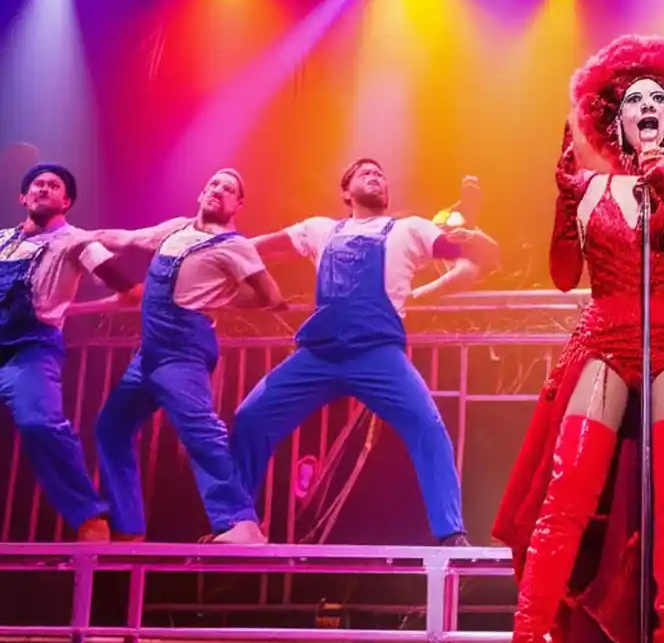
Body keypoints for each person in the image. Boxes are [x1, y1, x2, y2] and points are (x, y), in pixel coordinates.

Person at [491, 35, 664, 643]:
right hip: (603, 337)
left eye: (658, 99)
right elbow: (562, 275)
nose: (647, 106)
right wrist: (560, 202)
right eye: (633, 100)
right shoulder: (592, 187)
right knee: (565, 498)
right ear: (616, 120)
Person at [232, 160, 497, 545]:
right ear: (346, 191)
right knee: (250, 418)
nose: (375, 176)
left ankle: (450, 533)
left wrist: (467, 245)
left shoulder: (411, 229)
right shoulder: (320, 229)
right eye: (365, 173)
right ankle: (240, 523)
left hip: (378, 355)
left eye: (380, 174)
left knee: (428, 428)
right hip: (319, 354)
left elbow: (475, 257)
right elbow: (258, 250)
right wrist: (214, 250)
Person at [87, 169, 287, 543]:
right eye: (214, 184)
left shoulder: (234, 245)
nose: (219, 190)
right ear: (201, 193)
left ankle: (241, 524)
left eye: (229, 189)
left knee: (199, 429)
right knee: (111, 428)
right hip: (150, 352)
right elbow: (127, 239)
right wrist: (82, 237)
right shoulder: (175, 229)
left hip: (183, 348)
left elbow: (271, 297)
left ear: (238, 204)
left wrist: (221, 299)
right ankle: (128, 528)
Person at [2, 164, 137, 540]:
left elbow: (124, 284)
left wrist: (128, 296)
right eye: (37, 184)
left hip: (31, 347)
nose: (44, 188)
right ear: (23, 197)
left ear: (66, 201)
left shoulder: (77, 241)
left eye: (54, 185)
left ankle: (89, 516)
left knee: (39, 423)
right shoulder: (2, 240)